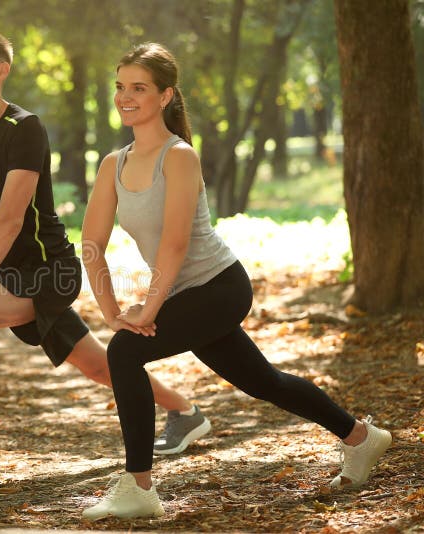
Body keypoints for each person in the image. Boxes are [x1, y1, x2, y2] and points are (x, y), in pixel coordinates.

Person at [0, 30, 212, 496]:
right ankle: (185, 411)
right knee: (98, 366)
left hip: (47, 270)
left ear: (1, 71)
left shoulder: (26, 128)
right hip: (5, 271)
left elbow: (10, 216)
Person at [80, 42, 393, 520]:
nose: (126, 96)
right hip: (183, 293)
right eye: (120, 86)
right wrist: (110, 310)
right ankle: (361, 438)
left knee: (125, 351)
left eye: (138, 88)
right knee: (263, 381)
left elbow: (176, 245)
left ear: (165, 96)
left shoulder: (178, 156)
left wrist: (145, 309)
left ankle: (138, 486)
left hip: (220, 287)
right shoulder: (113, 165)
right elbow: (91, 244)